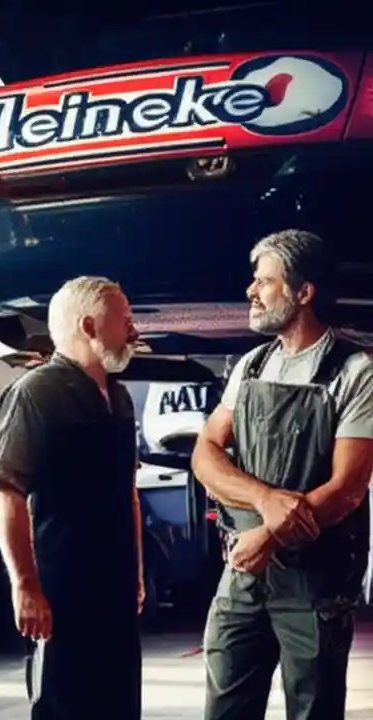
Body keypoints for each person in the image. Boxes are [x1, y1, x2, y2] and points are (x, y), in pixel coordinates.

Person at [192, 229, 373, 720]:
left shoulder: (355, 372)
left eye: (264, 281)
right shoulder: (250, 367)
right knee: (226, 704)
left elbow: (346, 489)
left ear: (303, 292)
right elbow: (205, 453)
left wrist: (270, 536)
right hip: (243, 572)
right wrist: (266, 501)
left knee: (313, 708)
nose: (251, 291)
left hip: (315, 581)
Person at [0, 275, 144, 720]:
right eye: (125, 321)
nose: (134, 331)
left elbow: (127, 491)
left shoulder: (120, 398)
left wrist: (137, 573)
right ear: (89, 326)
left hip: (114, 592)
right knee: (66, 705)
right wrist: (26, 586)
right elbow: (6, 491)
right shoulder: (36, 394)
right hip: (62, 593)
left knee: (119, 703)